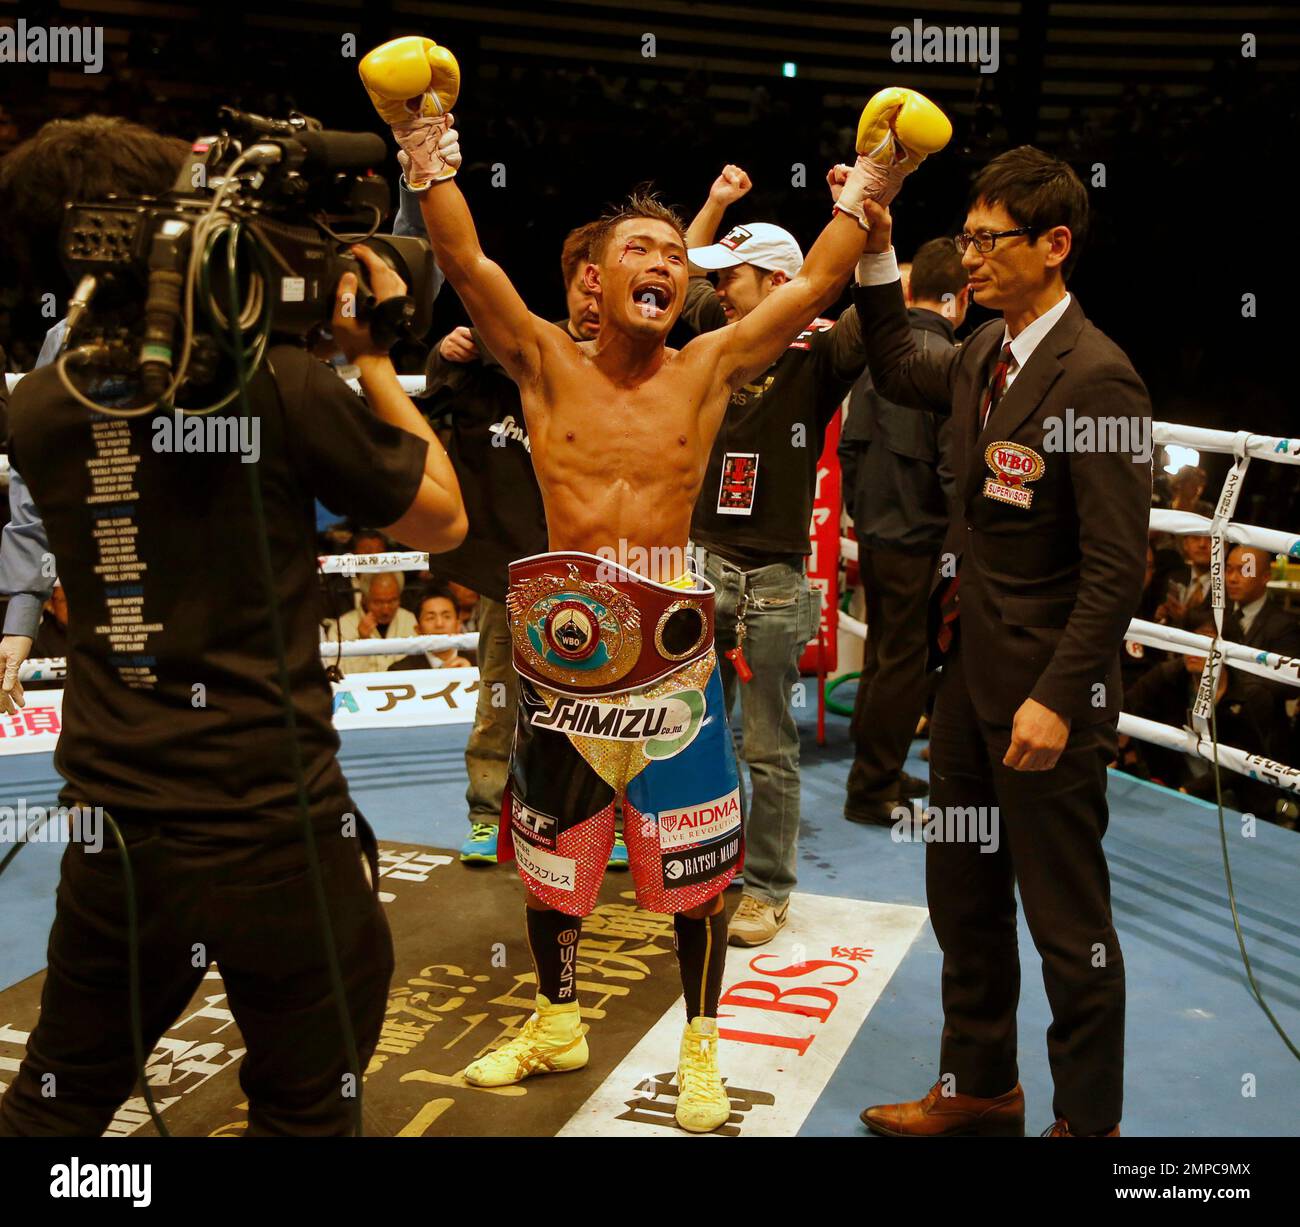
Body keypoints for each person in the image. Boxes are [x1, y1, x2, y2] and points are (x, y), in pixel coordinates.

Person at [360, 33, 948, 1132]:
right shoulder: (539, 359)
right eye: (645, 249)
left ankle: (700, 1044)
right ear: (598, 277)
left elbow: (820, 277)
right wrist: (422, 142)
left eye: (678, 255)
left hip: (673, 659)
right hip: (564, 653)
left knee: (693, 872)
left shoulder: (711, 367)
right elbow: (470, 261)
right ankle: (555, 1017)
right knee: (553, 861)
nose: (667, 264)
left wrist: (876, 184)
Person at [0, 115, 466, 1137]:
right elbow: (440, 514)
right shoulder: (281, 386)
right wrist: (373, 357)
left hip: (113, 825)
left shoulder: (37, 405)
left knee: (58, 1104)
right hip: (271, 827)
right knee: (306, 1109)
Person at [848, 145, 1151, 1138]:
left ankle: (1089, 1127)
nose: (968, 260)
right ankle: (981, 1089)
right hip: (968, 687)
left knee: (1069, 930)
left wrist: (1059, 698)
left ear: (1054, 244)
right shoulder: (985, 350)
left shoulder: (1099, 378)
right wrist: (878, 247)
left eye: (987, 241)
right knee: (964, 898)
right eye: (966, 240)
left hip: (1047, 704)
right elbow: (895, 360)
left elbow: (1116, 567)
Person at [677, 164, 867, 946]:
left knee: (768, 743)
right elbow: (681, 269)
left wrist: (863, 204)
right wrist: (717, 203)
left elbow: (862, 294)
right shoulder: (714, 337)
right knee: (691, 729)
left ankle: (768, 887)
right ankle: (702, 865)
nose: (722, 290)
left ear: (782, 281)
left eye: (740, 278)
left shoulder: (819, 354)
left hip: (777, 577)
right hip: (702, 558)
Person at [416, 220, 596, 864]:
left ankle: (593, 823)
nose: (595, 300)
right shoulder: (521, 352)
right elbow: (436, 399)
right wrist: (448, 352)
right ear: (570, 286)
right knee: (499, 694)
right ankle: (487, 812)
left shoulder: (634, 369)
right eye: (584, 284)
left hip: (603, 572)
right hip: (518, 570)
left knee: (598, 706)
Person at [840, 237, 968, 826]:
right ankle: (871, 790)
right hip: (919, 538)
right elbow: (952, 469)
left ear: (911, 292)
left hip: (876, 529)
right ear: (960, 297)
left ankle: (878, 772)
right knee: (903, 663)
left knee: (884, 658)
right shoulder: (948, 362)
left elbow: (848, 446)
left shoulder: (878, 355)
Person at [324, 571, 419, 676]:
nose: (386, 610)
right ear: (364, 598)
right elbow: (338, 675)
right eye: (378, 602)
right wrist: (362, 643)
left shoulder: (409, 620)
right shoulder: (341, 627)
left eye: (393, 600)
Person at [388, 585, 473, 669]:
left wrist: (472, 675)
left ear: (458, 625)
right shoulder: (401, 670)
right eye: (430, 618)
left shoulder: (479, 663)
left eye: (446, 616)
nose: (439, 624)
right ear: (418, 629)